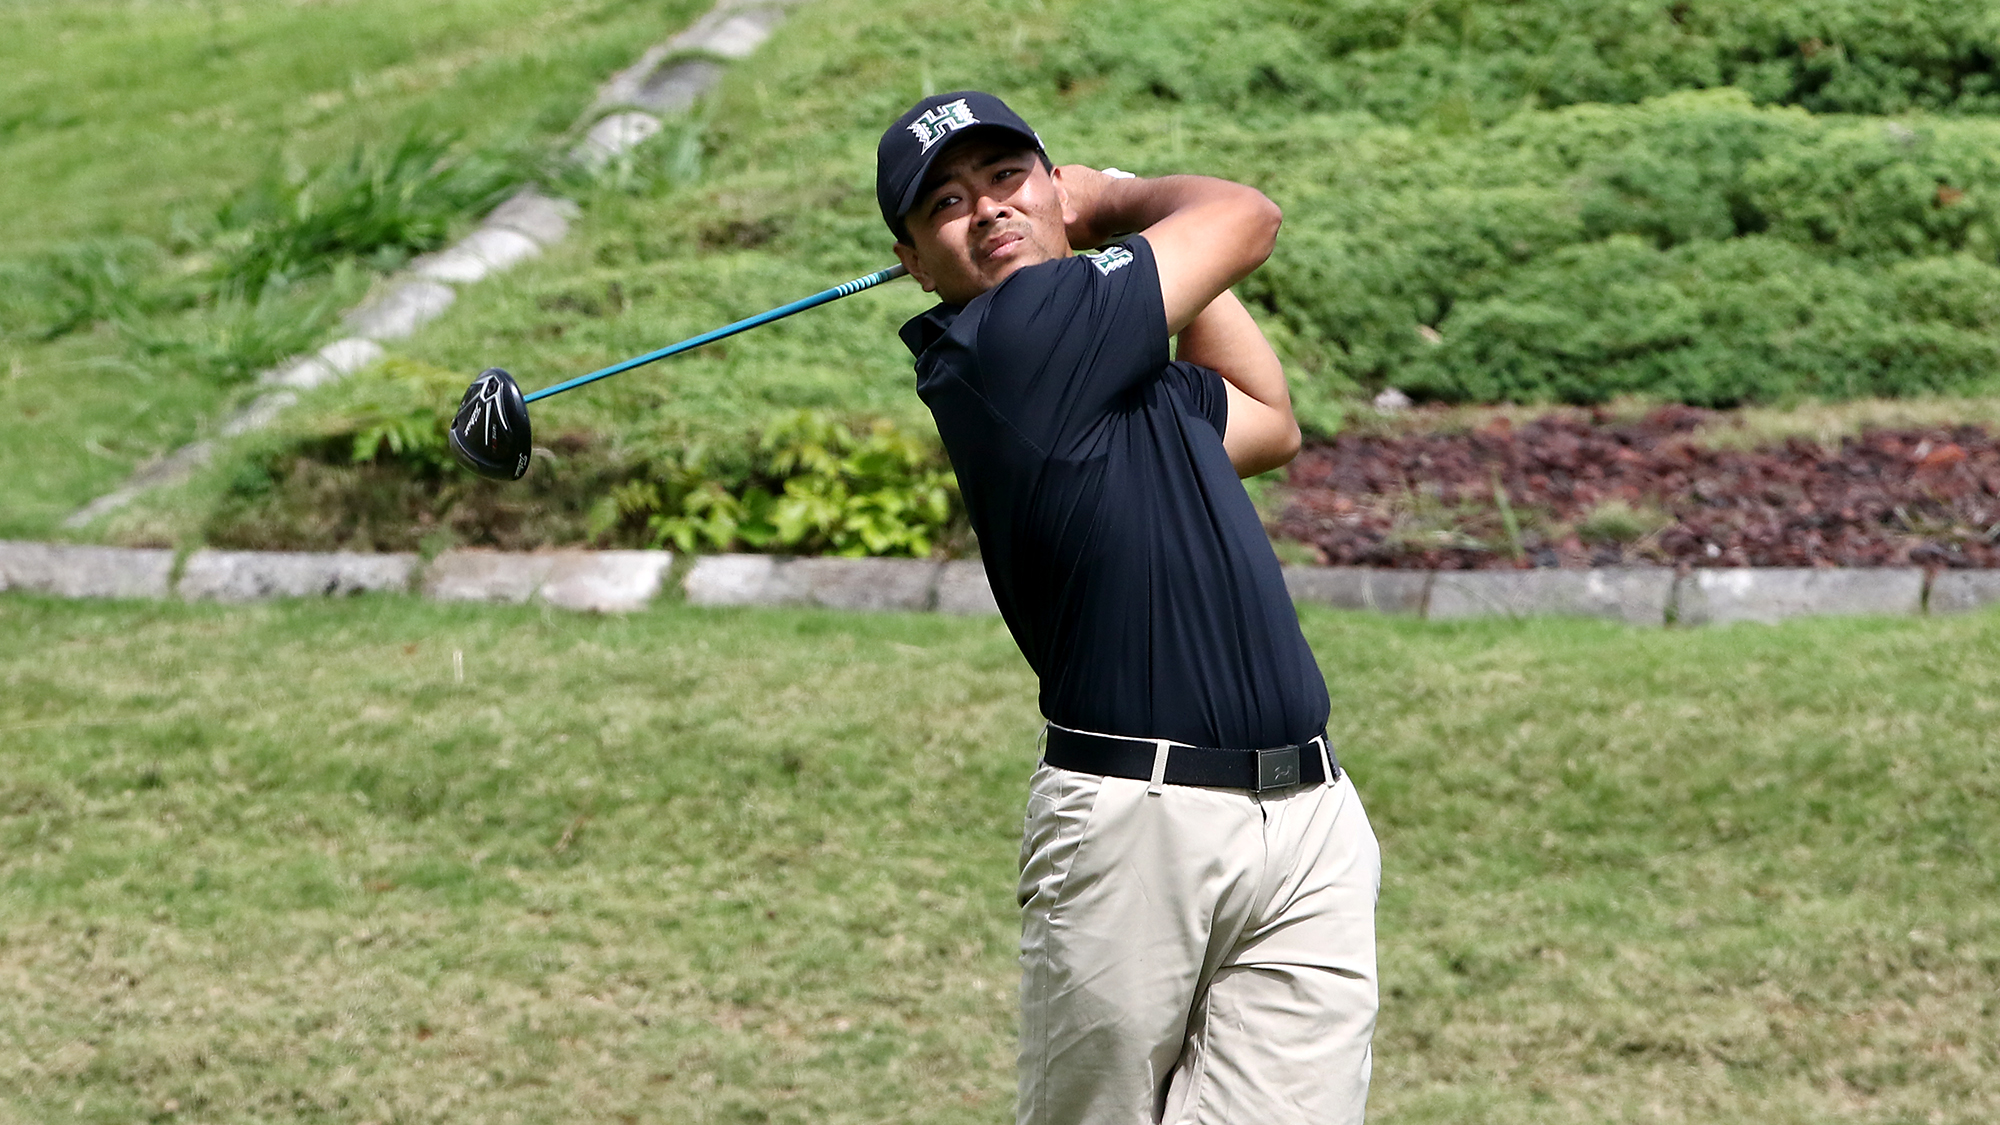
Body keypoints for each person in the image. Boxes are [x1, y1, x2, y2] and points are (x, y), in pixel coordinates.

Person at [877, 91, 1381, 1125]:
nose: (987, 208)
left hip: (1305, 818)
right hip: (1138, 828)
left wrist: (1130, 253)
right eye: (946, 203)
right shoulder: (1014, 339)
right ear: (915, 262)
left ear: (1045, 184)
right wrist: (1113, 200)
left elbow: (1266, 423)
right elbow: (1245, 217)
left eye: (1006, 177)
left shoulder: (1114, 375)